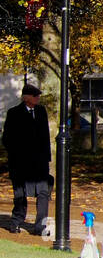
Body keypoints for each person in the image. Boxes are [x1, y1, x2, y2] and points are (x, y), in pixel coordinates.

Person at [2, 83, 52, 234]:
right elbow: (7, 138)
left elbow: (45, 136)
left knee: (43, 193)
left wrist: (46, 158)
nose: (38, 98)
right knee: (20, 195)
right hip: (21, 163)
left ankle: (40, 226)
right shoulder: (14, 113)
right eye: (35, 95)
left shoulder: (41, 111)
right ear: (26, 98)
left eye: (38, 95)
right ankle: (16, 221)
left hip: (40, 164)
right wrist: (17, 154)